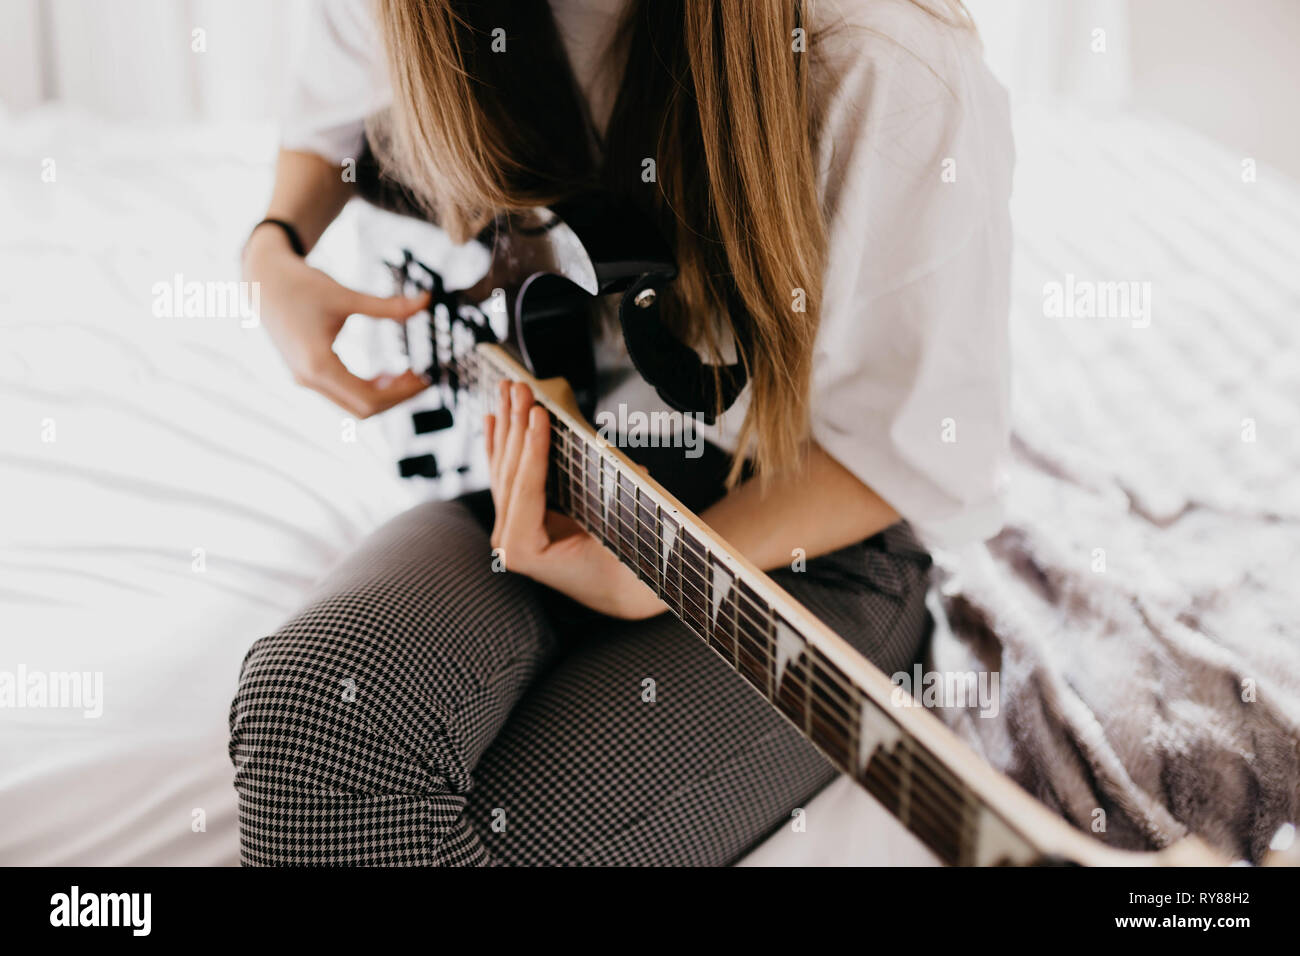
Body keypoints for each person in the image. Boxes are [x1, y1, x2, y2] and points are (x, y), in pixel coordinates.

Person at [229, 0, 1013, 866]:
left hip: (808, 541)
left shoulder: (879, 52)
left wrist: (657, 577)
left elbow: (919, 450)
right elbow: (329, 125)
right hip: (548, 471)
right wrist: (273, 248)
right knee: (307, 721)